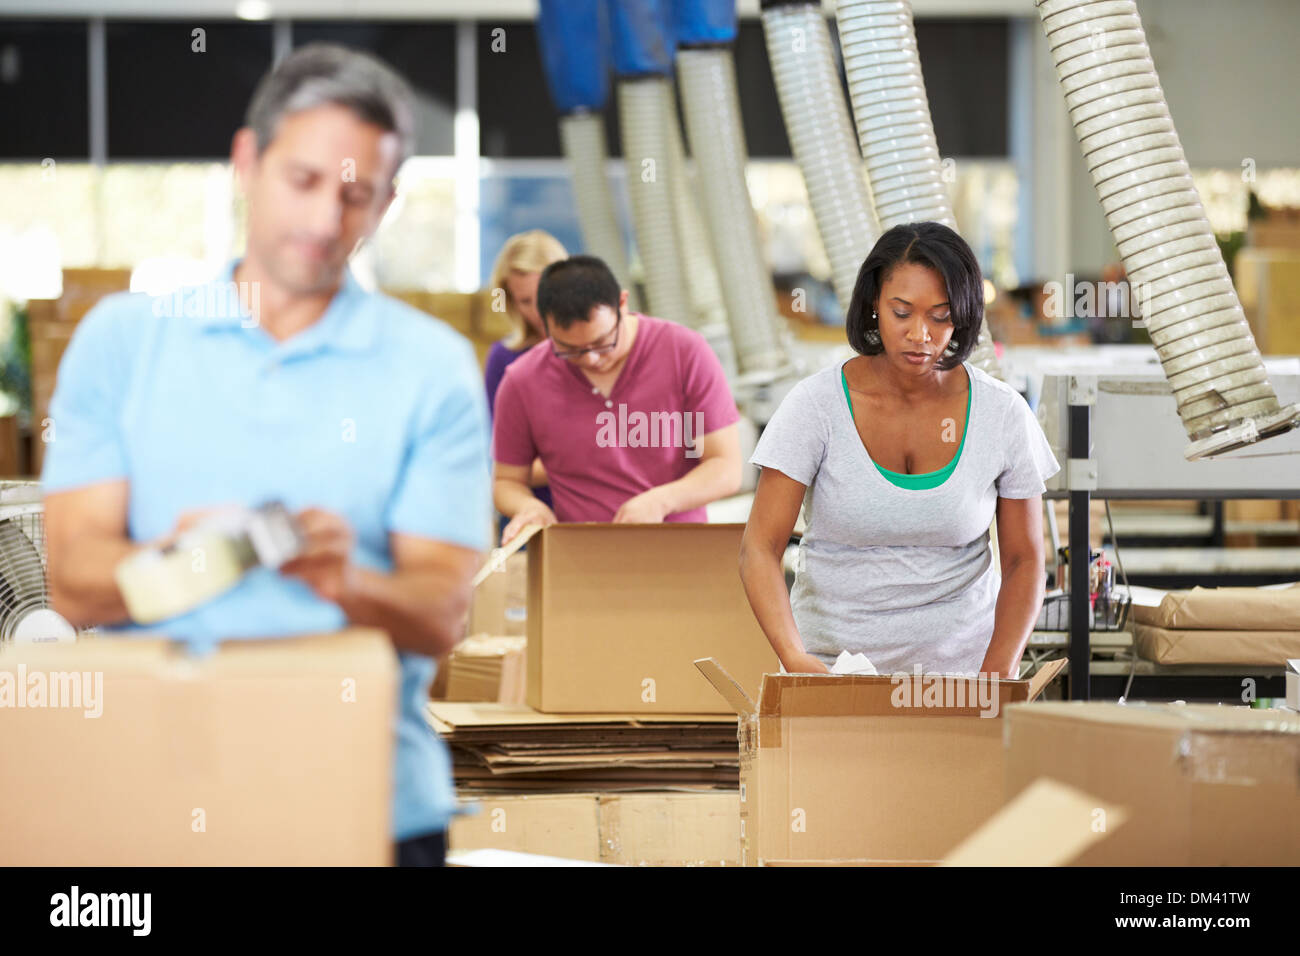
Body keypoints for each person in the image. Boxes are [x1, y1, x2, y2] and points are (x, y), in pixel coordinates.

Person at [41, 44, 490, 867]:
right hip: (153, 790)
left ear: (388, 201)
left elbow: (438, 615)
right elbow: (74, 584)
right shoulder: (124, 343)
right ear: (247, 162)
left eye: (356, 195)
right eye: (305, 181)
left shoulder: (431, 368)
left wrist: (345, 580)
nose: (325, 222)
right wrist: (187, 562)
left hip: (364, 796)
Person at [739, 222, 1059, 679]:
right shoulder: (816, 406)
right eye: (902, 312)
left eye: (940, 316)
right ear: (874, 306)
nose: (920, 334)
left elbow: (1025, 561)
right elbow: (760, 547)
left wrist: (997, 675)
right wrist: (794, 657)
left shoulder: (1001, 413)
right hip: (830, 674)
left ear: (963, 316)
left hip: (961, 681)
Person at [492, 254, 742, 545]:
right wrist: (530, 507)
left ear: (622, 304)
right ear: (544, 324)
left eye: (601, 343)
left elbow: (725, 466)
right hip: (578, 562)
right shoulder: (522, 380)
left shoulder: (685, 352)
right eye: (570, 349)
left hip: (679, 555)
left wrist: (662, 501)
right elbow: (506, 481)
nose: (591, 360)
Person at [482, 230, 567, 519]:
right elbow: (499, 464)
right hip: (526, 515)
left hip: (594, 517)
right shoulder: (504, 360)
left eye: (547, 295)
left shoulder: (597, 354)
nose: (541, 311)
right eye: (526, 301)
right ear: (510, 301)